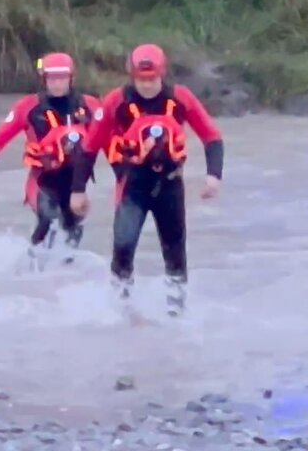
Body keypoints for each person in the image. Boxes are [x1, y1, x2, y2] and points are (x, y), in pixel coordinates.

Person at [70, 44, 223, 316]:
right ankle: (120, 312)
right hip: (133, 185)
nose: (147, 85)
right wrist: (78, 190)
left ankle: (176, 314)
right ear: (132, 76)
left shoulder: (181, 98)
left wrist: (214, 176)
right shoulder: (116, 101)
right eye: (141, 80)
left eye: (152, 79)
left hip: (170, 185)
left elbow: (211, 137)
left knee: (175, 253)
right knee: (123, 249)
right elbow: (89, 147)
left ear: (161, 74)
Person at [0, 52, 100, 263]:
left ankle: (63, 279)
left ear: (71, 78)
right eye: (51, 78)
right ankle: (31, 273)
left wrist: (125, 175)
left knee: (72, 230)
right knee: (49, 220)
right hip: (42, 181)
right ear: (43, 79)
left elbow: (111, 141)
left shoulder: (91, 106)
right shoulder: (28, 107)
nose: (57, 84)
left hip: (77, 183)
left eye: (62, 78)